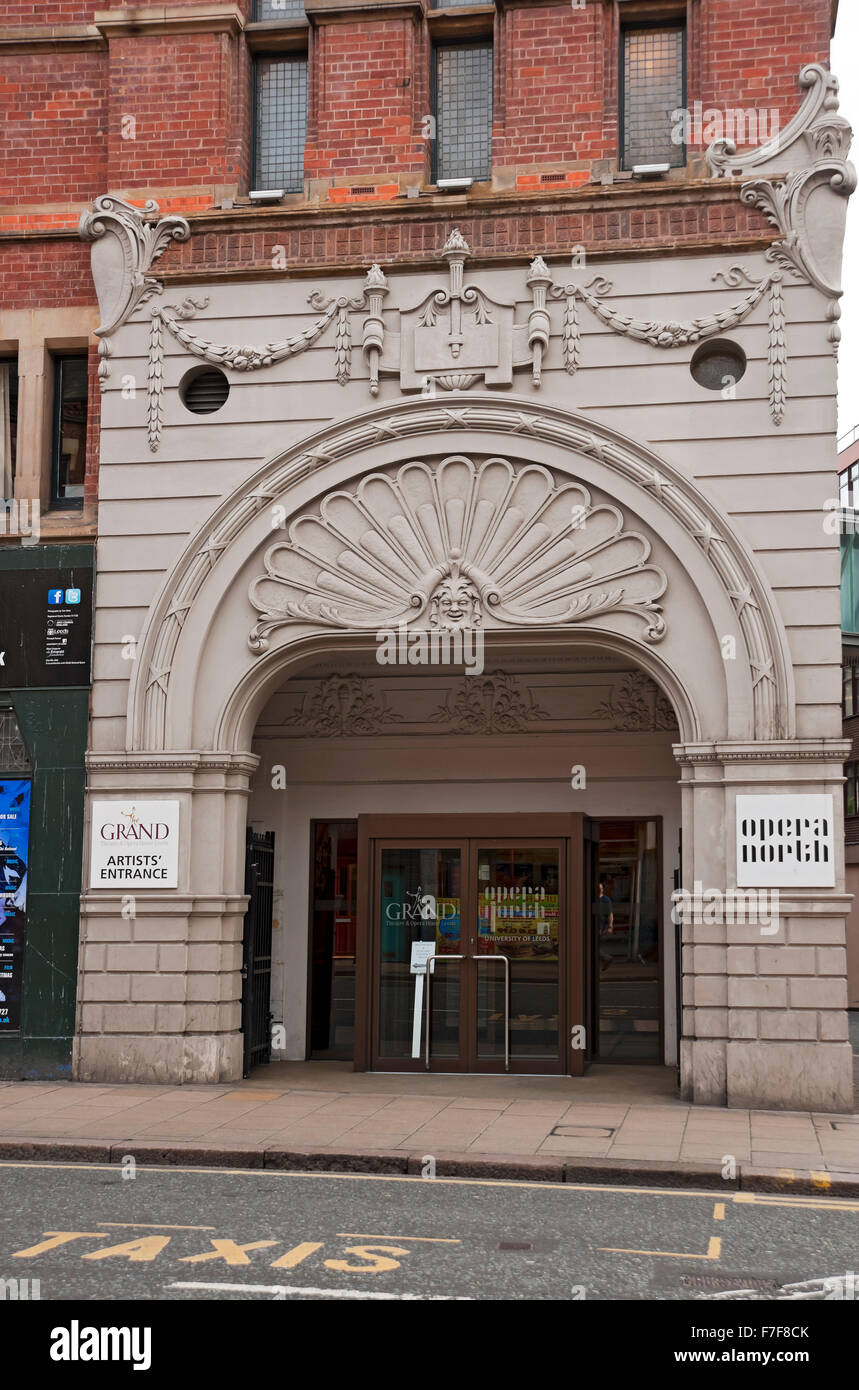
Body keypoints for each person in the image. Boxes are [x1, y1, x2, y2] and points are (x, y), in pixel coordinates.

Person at [598, 880, 614, 972]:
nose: (599, 890)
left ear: (603, 889)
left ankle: (606, 958)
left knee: (589, 946)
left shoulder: (606, 900)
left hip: (600, 926)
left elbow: (610, 914)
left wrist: (610, 926)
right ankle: (605, 959)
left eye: (601, 888)